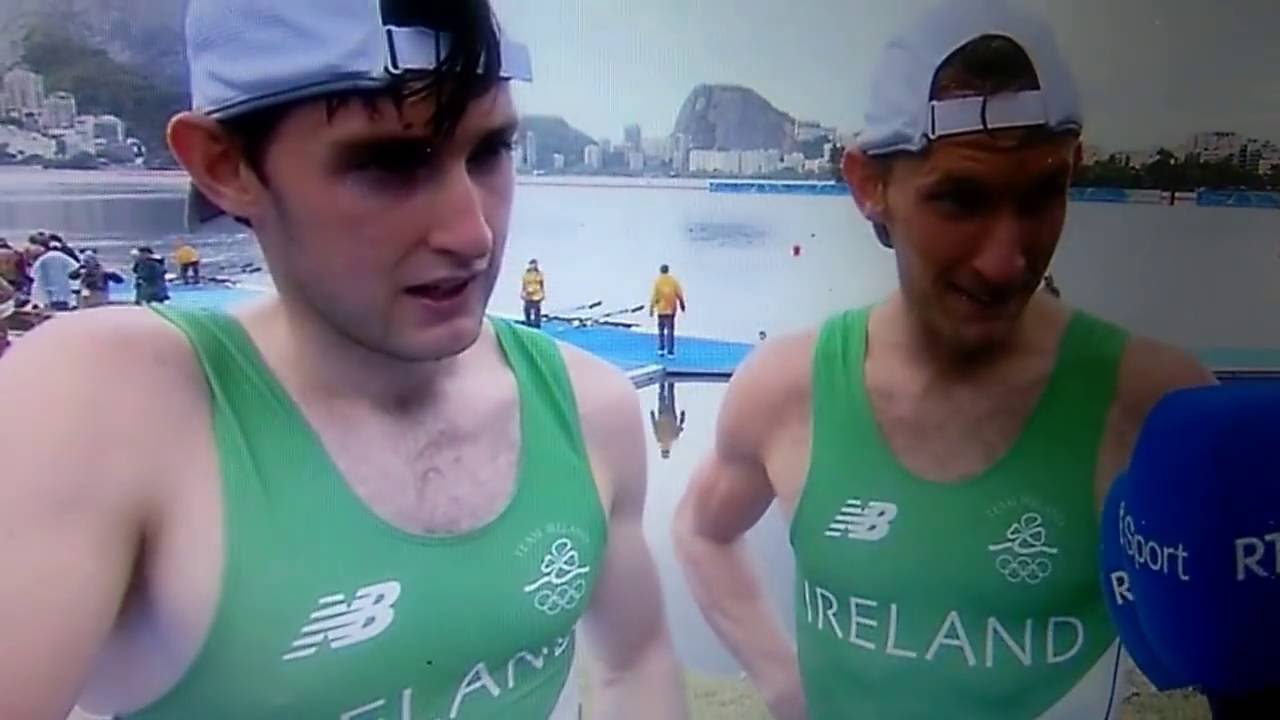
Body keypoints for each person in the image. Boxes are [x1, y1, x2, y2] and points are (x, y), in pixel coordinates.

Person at [0, 1, 687, 719]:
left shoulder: (586, 409)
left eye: (488, 152)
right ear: (225, 165)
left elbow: (632, 665)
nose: (471, 232)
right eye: (389, 164)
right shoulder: (106, 411)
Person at [672, 3, 1217, 720]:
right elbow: (701, 530)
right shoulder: (787, 389)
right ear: (869, 186)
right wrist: (783, 681)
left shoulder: (1156, 409)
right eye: (960, 201)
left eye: (1041, 195)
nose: (1006, 259)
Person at [649, 264, 685, 358]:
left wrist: (651, 308)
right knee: (670, 330)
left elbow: (655, 296)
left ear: (660, 271)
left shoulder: (658, 282)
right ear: (668, 270)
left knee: (661, 330)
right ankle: (670, 351)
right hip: (671, 309)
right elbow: (679, 294)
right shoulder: (673, 281)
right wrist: (682, 304)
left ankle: (661, 348)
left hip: (661, 309)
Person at [28, 242, 78, 311]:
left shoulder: (43, 258)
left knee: (48, 299)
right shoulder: (63, 256)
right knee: (63, 297)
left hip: (47, 282)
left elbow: (34, 272)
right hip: (62, 281)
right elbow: (75, 267)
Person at [649, 380, 687, 460]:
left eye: (664, 451)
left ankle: (667, 381)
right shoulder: (670, 438)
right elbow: (680, 426)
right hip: (669, 415)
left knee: (666, 396)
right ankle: (666, 381)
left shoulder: (664, 438)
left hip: (664, 415)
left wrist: (682, 417)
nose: (664, 448)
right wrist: (682, 417)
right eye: (665, 451)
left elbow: (655, 427)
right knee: (665, 396)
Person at [521, 257, 545, 328]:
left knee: (536, 311)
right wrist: (522, 292)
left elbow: (541, 284)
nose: (532, 266)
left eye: (534, 264)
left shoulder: (539, 274)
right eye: (531, 264)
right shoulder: (526, 274)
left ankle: (537, 324)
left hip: (536, 295)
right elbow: (524, 284)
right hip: (528, 295)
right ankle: (528, 323)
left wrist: (543, 293)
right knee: (527, 310)